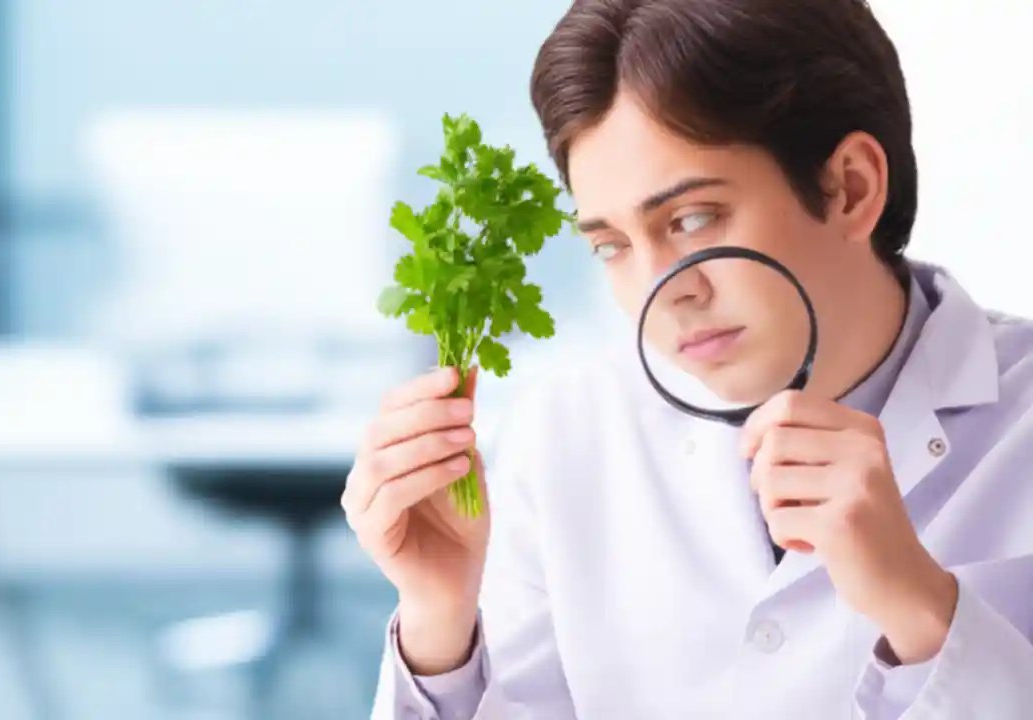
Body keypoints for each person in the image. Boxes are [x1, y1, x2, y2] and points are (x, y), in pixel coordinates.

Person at [342, 1, 1033, 718]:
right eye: (611, 246)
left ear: (849, 187)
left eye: (693, 219)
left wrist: (921, 608)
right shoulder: (569, 433)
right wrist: (440, 624)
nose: (662, 292)